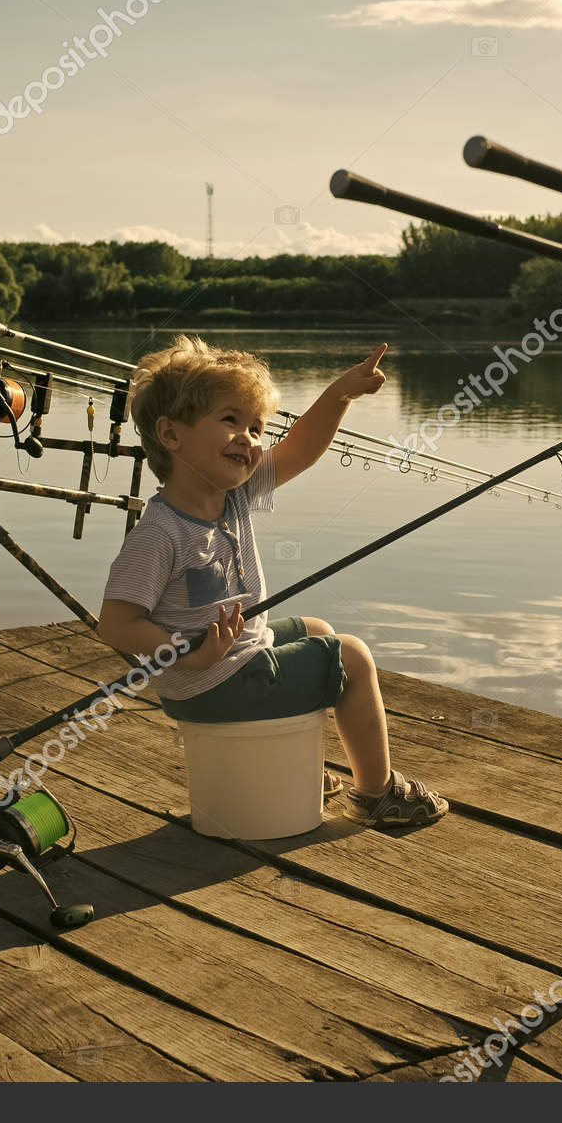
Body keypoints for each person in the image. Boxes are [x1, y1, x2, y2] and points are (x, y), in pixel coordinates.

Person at [96, 334, 448, 829]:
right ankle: (377, 794)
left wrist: (341, 394)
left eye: (257, 427)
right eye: (230, 420)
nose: (249, 438)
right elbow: (115, 624)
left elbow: (300, 449)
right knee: (351, 655)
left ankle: (297, 764)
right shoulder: (159, 533)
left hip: (234, 661)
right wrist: (188, 653)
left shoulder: (232, 494)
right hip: (211, 682)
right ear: (171, 435)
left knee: (319, 631)